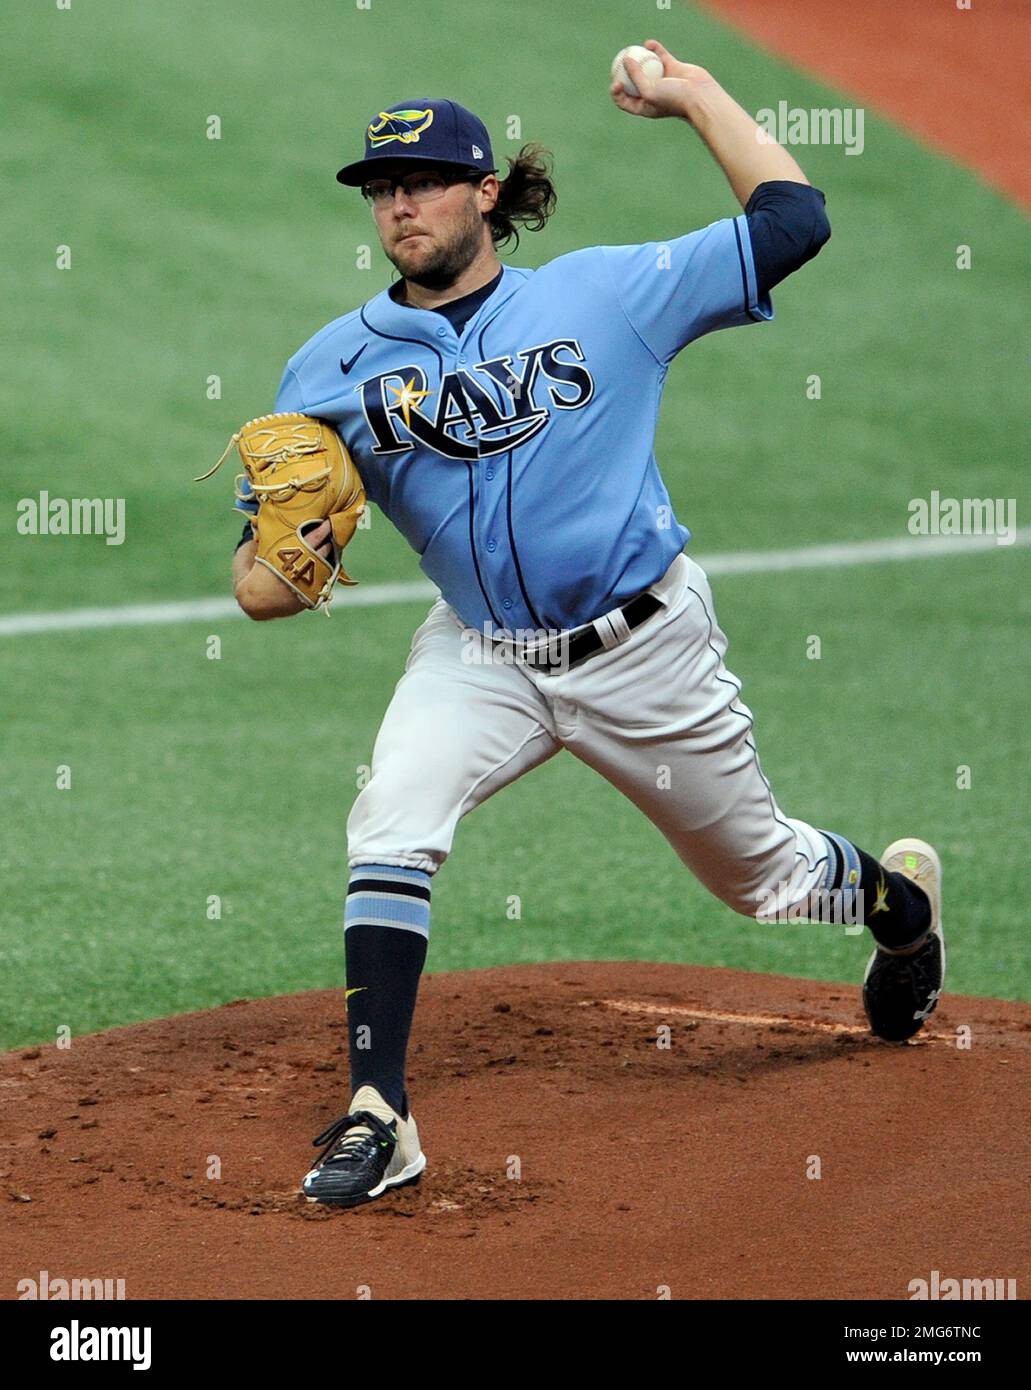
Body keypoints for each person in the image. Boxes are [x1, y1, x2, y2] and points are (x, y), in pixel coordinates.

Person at [230, 43, 944, 1209]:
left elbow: (794, 219)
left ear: (484, 194)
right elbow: (255, 581)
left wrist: (692, 95)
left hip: (643, 648)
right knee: (391, 817)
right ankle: (380, 1112)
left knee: (758, 878)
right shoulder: (329, 367)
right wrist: (286, 564)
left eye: (419, 180)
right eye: (378, 187)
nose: (397, 204)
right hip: (480, 654)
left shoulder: (609, 293)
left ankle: (901, 912)